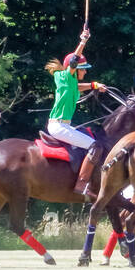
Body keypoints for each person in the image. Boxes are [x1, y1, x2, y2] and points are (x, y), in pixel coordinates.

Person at [44, 27, 108, 197]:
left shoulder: (69, 82)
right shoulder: (65, 76)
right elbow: (74, 60)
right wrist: (83, 41)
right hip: (59, 127)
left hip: (61, 125)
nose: (85, 71)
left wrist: (94, 85)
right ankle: (81, 185)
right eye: (83, 68)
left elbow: (79, 87)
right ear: (74, 69)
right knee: (95, 146)